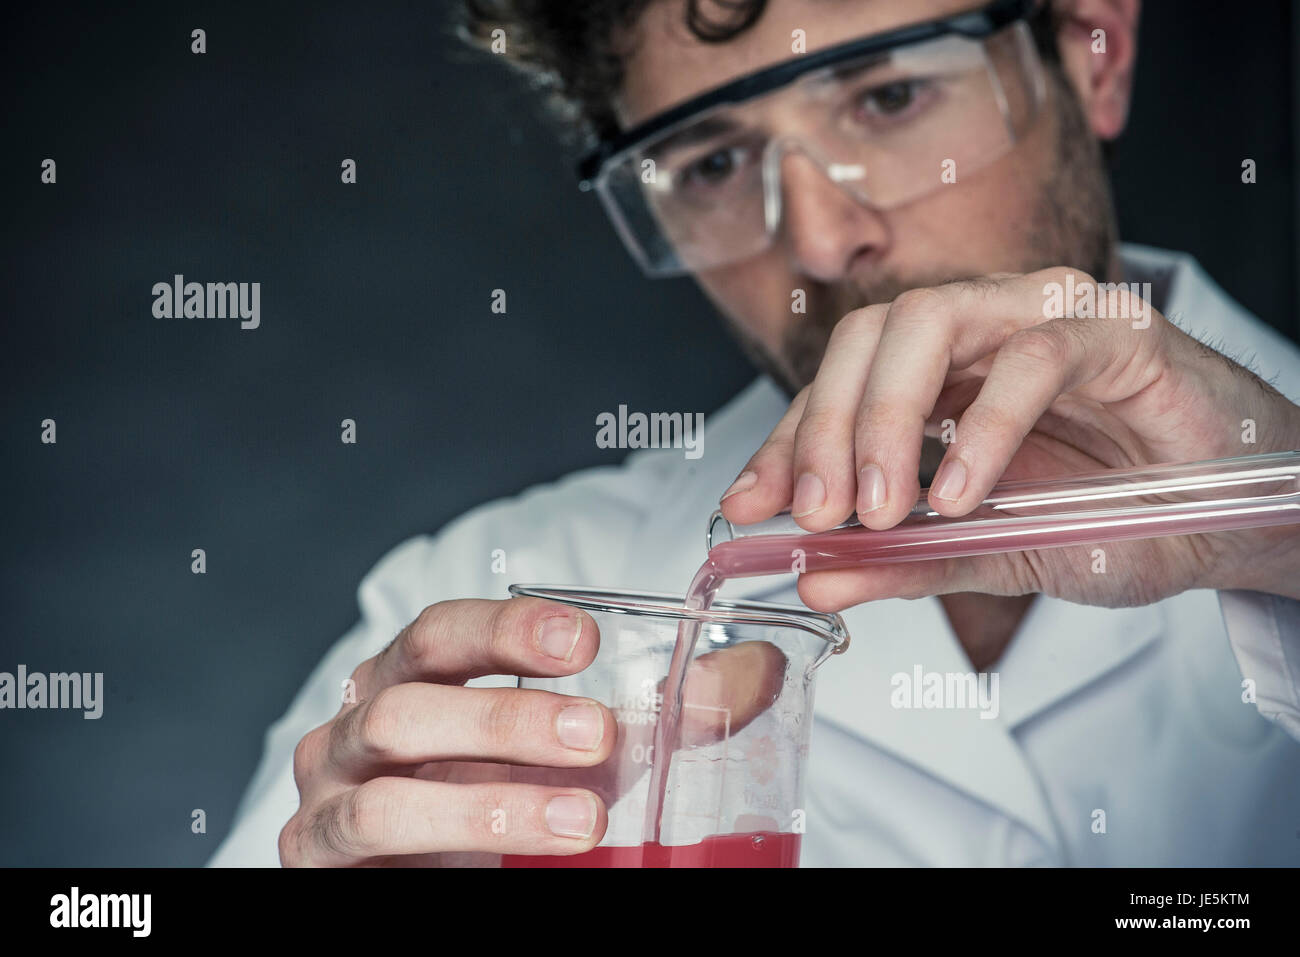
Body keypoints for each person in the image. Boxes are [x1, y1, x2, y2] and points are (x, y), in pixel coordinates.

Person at [210, 0, 1300, 867]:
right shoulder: (495, 613)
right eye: (715, 164)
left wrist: (1279, 528)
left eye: (888, 96)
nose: (820, 242)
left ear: (1091, 50)